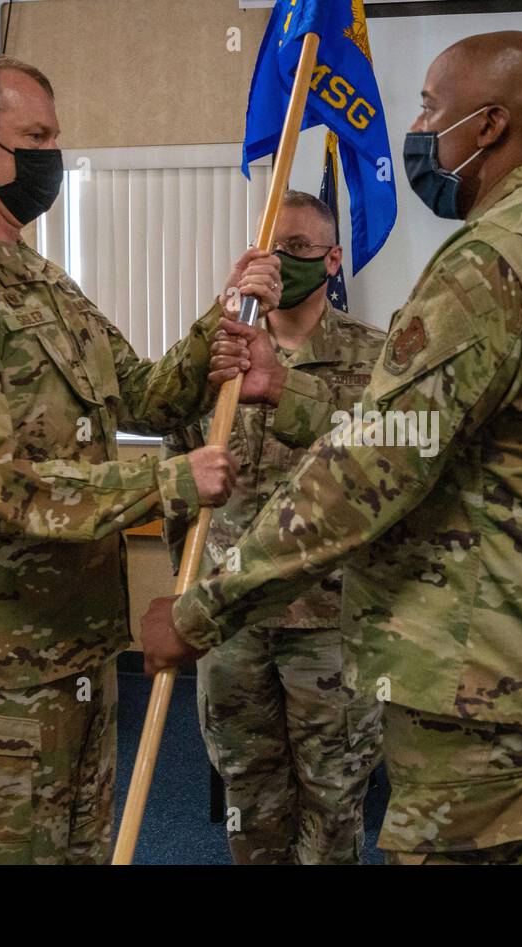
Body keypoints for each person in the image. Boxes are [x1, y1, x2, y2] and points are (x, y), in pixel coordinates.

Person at [143, 31, 522, 864]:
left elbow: (365, 471)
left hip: (484, 669)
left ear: (485, 127)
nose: (416, 128)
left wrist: (198, 612)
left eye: (428, 108)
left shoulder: (491, 264)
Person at [0, 50, 273, 864]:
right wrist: (165, 481)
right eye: (36, 136)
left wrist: (223, 320)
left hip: (79, 648)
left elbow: (147, 394)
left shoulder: (43, 282)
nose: (53, 157)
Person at [165, 190, 384, 864]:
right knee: (248, 798)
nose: (284, 261)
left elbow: (389, 468)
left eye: (299, 249)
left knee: (332, 801)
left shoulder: (376, 358)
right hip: (232, 622)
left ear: (332, 258)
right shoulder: (216, 357)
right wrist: (188, 592)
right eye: (273, 248)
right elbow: (180, 478)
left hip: (331, 624)